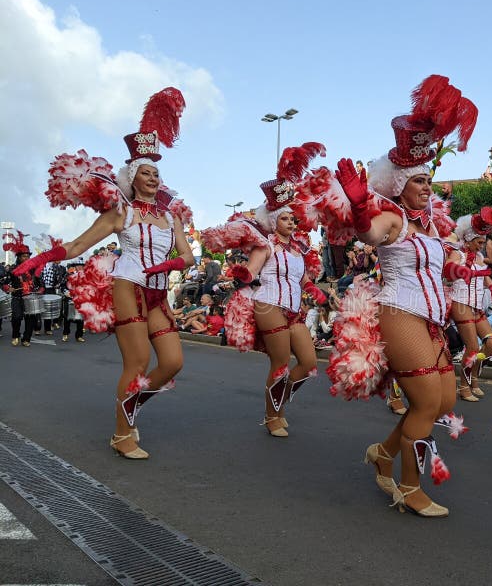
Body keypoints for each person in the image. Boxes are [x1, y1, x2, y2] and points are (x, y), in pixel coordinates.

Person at [15, 88, 194, 459]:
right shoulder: (121, 214)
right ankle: (122, 434)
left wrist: (171, 264)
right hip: (129, 284)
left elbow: (189, 256)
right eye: (145, 172)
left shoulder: (170, 215)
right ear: (132, 176)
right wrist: (43, 258)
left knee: (173, 362)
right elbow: (79, 246)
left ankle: (130, 405)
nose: (153, 178)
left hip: (159, 290)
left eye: (156, 173)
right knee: (139, 362)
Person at [332, 74, 478, 516]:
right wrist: (360, 207)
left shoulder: (432, 224)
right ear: (398, 186)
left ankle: (382, 452)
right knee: (426, 402)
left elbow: (436, 265)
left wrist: (457, 267)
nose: (427, 185)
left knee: (445, 401)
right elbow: (371, 234)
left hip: (434, 317)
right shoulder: (393, 218)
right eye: (418, 181)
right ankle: (410, 488)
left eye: (428, 179)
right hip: (400, 311)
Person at [204, 143, 327, 437]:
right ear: (273, 221)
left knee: (309, 364)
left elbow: (301, 281)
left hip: (294, 308)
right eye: (284, 218)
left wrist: (314, 290)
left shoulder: (299, 249)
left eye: (292, 218)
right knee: (281, 363)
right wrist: (239, 274)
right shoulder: (266, 245)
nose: (291, 222)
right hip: (268, 304)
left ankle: (278, 402)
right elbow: (252, 272)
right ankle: (273, 416)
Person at [447, 205, 492, 401]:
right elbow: (447, 269)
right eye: (479, 241)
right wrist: (459, 270)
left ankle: (474, 375)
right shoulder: (458, 254)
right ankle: (464, 386)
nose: (481, 245)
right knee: (472, 348)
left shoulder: (479, 257)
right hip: (460, 304)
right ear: (468, 239)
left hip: (476, 306)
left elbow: (485, 276)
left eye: (483, 241)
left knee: (491, 344)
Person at [1, 233, 40, 346]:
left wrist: (40, 289)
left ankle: (26, 339)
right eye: (24, 256)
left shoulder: (33, 270)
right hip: (17, 298)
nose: (26, 258)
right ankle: (15, 335)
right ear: (18, 257)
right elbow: (4, 282)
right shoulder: (12, 269)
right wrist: (8, 288)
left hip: (30, 298)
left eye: (28, 256)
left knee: (31, 319)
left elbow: (40, 283)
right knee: (16, 318)